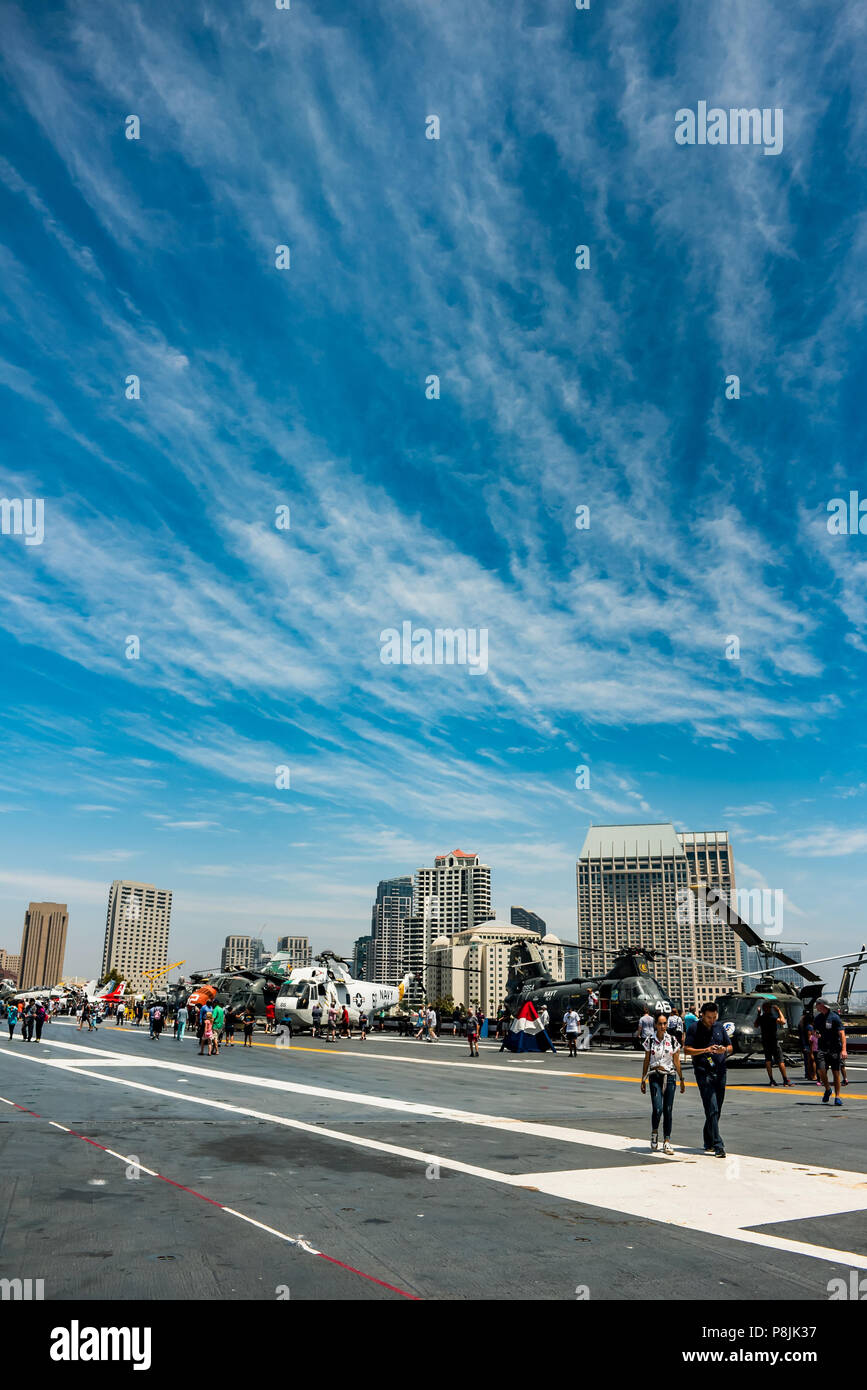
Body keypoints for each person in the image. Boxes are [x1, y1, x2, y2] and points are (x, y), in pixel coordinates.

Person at [684, 1002, 732, 1157]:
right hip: (703, 1072)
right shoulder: (694, 1029)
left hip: (720, 1071)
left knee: (717, 1109)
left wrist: (724, 1049)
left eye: (714, 1017)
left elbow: (730, 1047)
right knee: (712, 1108)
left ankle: (708, 1139)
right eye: (709, 1017)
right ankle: (719, 1145)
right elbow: (687, 1050)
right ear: (702, 1015)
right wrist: (705, 1050)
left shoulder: (719, 1027)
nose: (712, 1020)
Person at [641, 1011, 685, 1154]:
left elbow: (676, 1060)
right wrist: (643, 1078)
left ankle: (667, 1141)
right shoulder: (650, 1040)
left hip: (670, 1077)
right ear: (655, 1025)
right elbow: (646, 1060)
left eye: (664, 1023)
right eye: (660, 1024)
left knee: (668, 1110)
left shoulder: (672, 1040)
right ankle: (654, 1133)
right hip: (655, 1076)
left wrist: (682, 1079)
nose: (662, 1026)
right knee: (658, 1108)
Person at [813, 998, 845, 1106]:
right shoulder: (817, 1018)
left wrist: (844, 1050)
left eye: (817, 1004)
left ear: (823, 1005)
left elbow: (842, 1034)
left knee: (836, 1074)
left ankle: (837, 1097)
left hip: (834, 1049)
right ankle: (827, 1089)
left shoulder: (834, 1017)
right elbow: (815, 1031)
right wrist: (816, 1034)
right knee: (821, 1071)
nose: (816, 1006)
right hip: (822, 1048)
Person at [755, 1001, 791, 1086]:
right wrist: (779, 1010)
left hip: (765, 1041)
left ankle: (771, 1080)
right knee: (780, 1060)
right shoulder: (772, 1017)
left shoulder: (761, 1018)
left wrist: (759, 1014)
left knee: (768, 1060)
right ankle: (785, 1080)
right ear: (768, 1009)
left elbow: (756, 1025)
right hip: (774, 1041)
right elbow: (783, 1021)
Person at [798, 1010, 815, 1081]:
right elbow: (809, 1038)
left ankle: (807, 1074)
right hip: (808, 1045)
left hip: (804, 1044)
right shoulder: (809, 1026)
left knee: (807, 1061)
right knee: (811, 1061)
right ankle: (812, 1075)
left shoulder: (801, 1023)